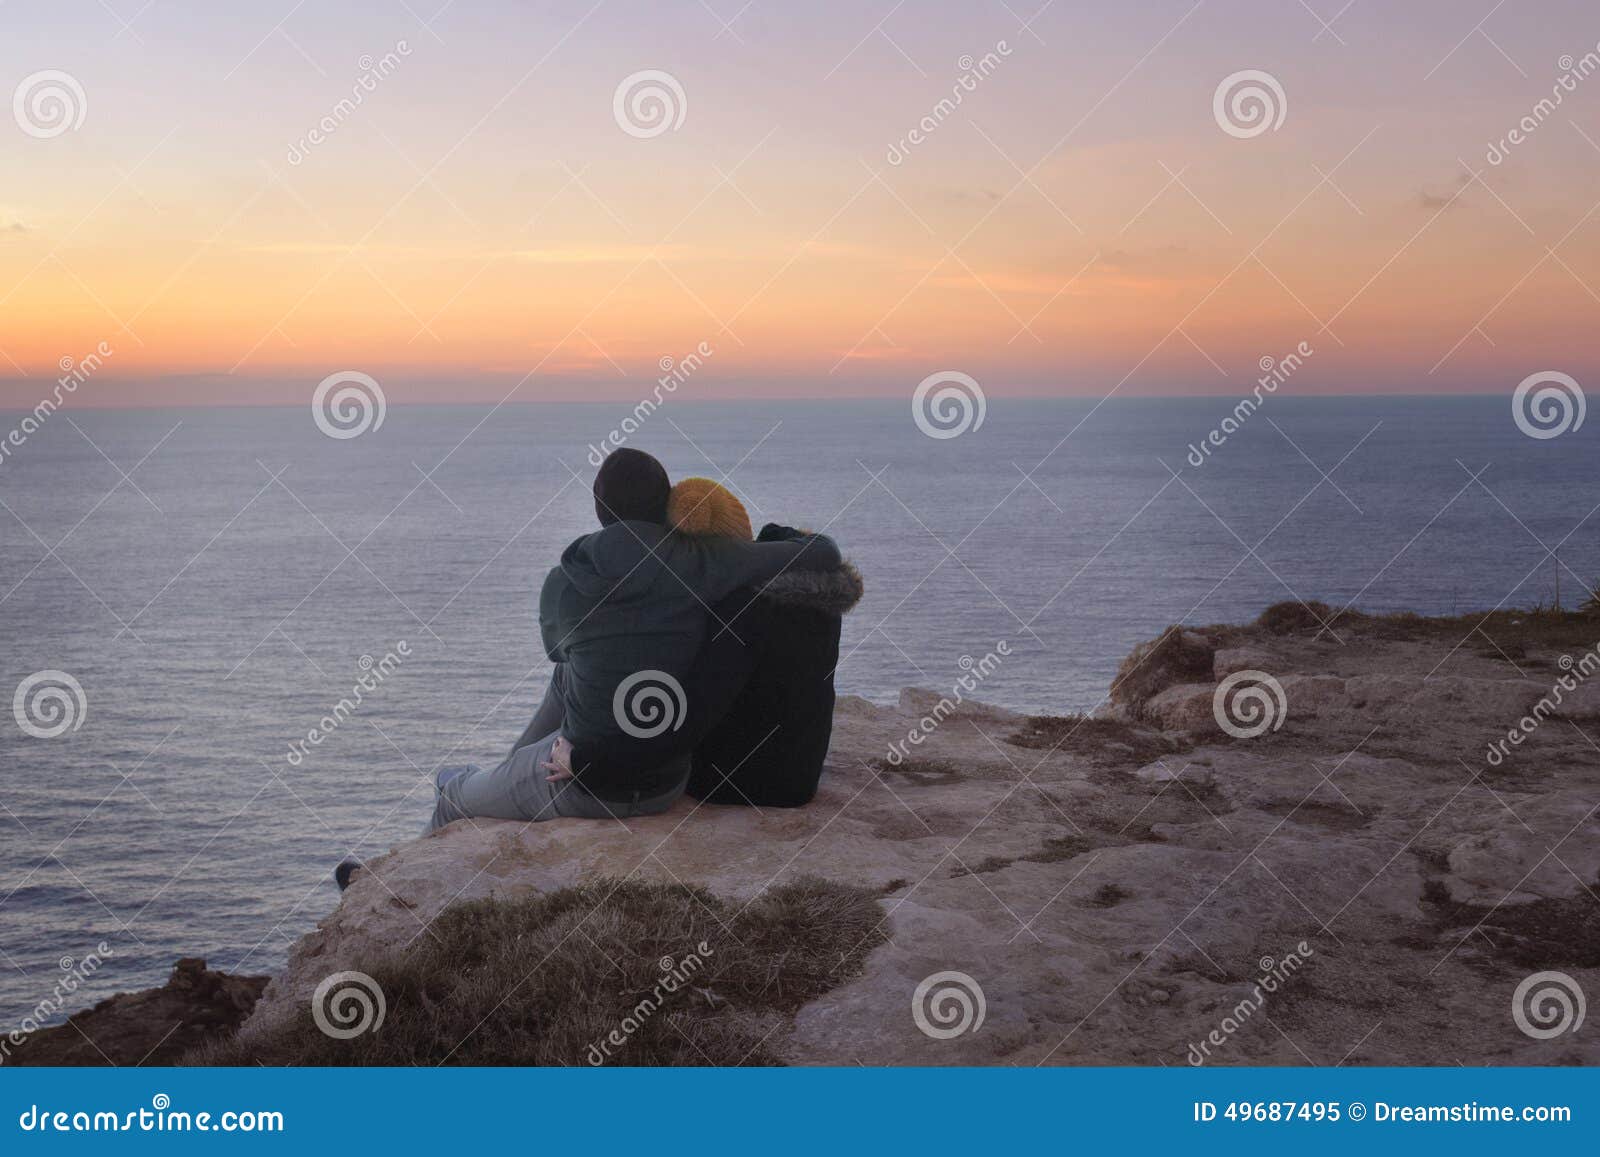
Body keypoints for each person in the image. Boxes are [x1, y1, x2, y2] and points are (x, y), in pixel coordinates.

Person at [424, 449, 842, 831]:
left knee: (453, 791)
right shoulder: (707, 564)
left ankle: (381, 886)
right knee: (567, 675)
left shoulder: (566, 581)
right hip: (668, 779)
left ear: (598, 509)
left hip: (589, 783)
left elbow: (556, 649)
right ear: (665, 505)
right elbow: (823, 553)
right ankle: (508, 771)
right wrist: (769, 535)